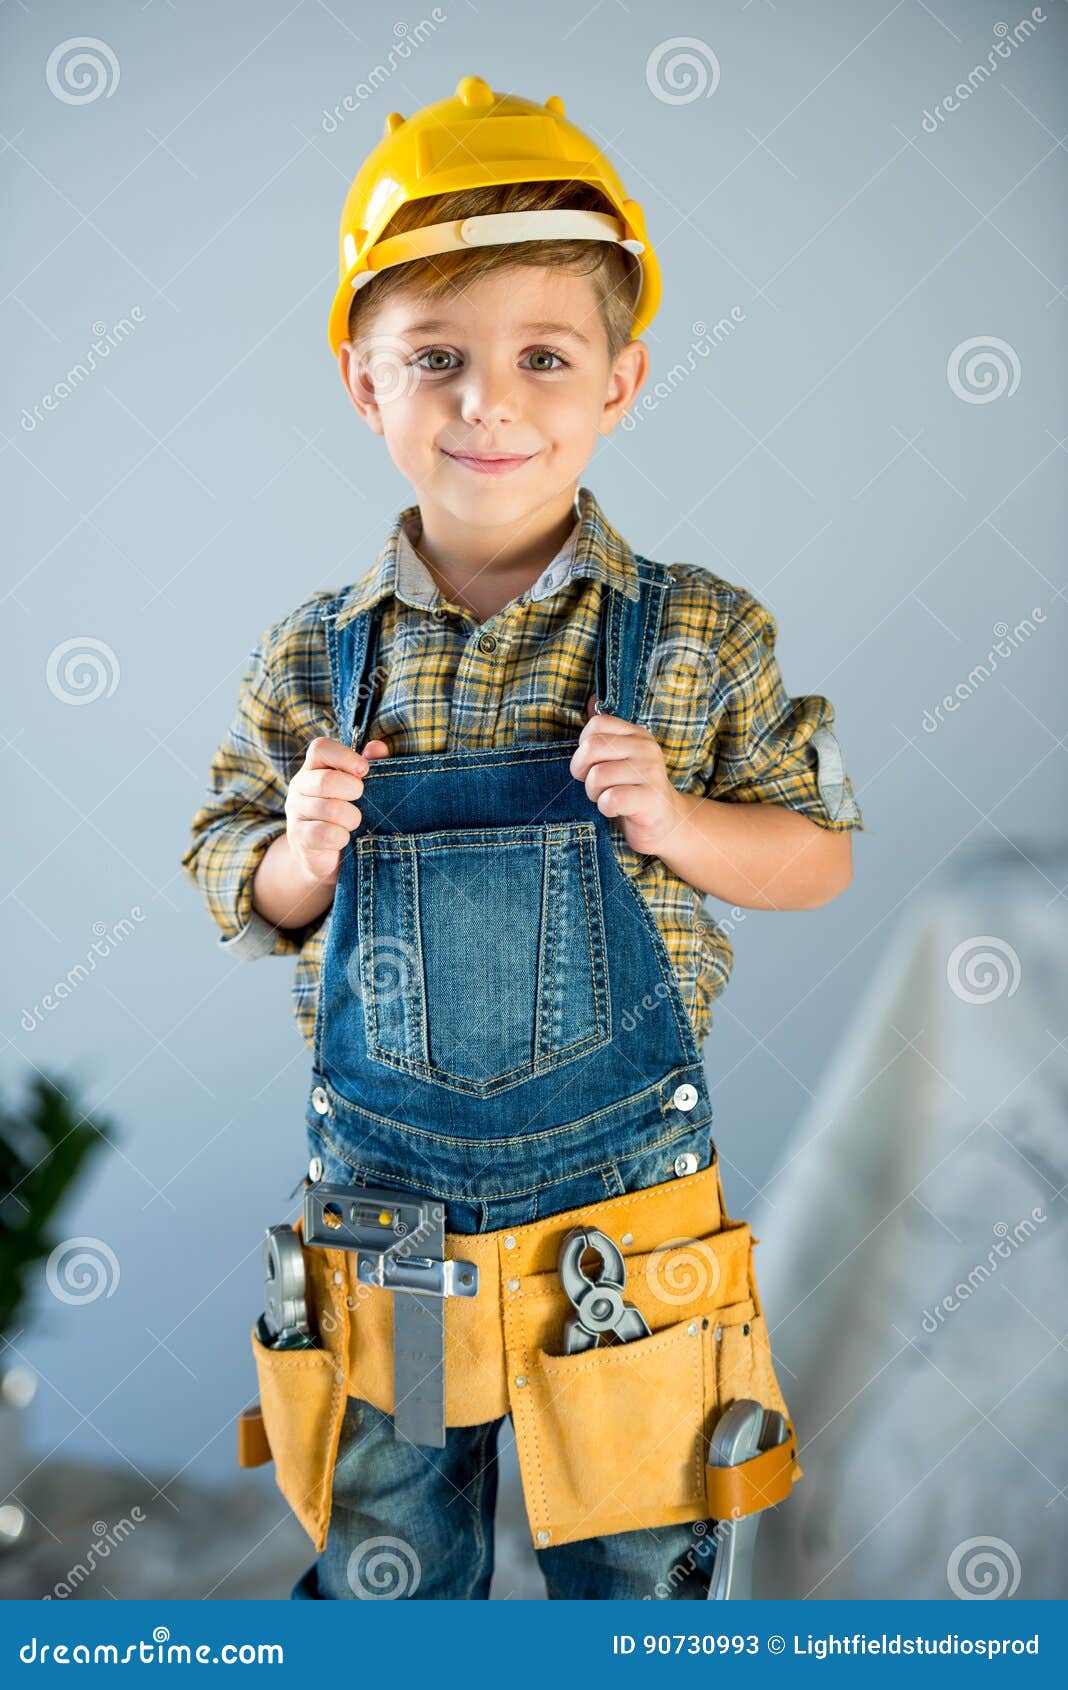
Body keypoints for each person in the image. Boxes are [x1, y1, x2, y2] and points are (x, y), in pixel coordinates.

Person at [181, 75, 863, 1600]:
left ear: (621, 381)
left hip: (615, 1227)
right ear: (363, 382)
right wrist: (298, 850)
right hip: (395, 1230)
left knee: (632, 1565)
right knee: (397, 1564)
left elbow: (817, 856)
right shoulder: (314, 657)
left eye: (543, 356)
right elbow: (234, 880)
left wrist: (675, 817)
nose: (487, 401)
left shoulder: (695, 634)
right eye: (437, 357)